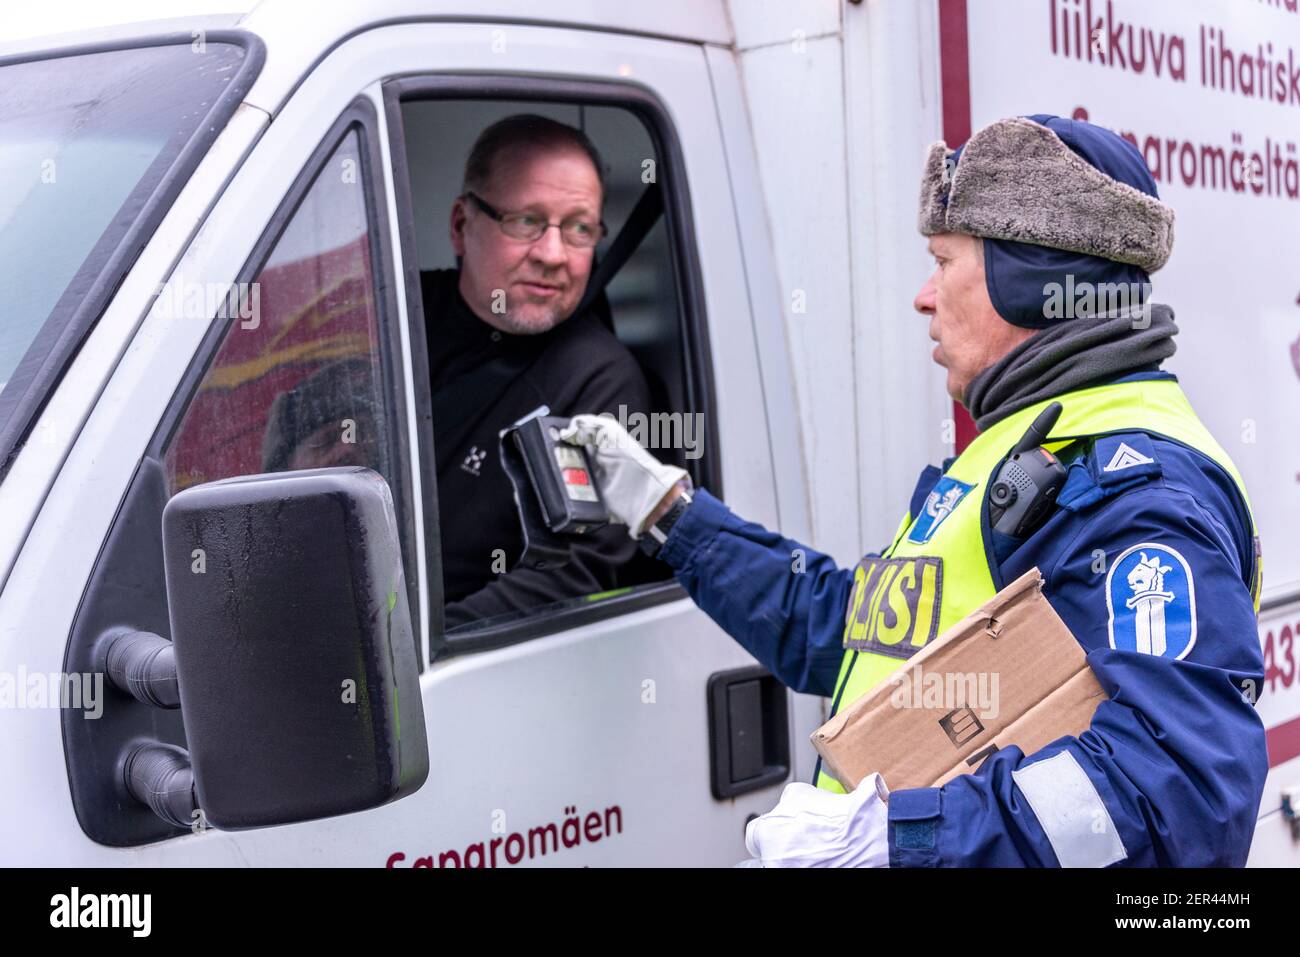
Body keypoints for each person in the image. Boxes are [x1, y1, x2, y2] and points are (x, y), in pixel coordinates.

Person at [561, 114, 1268, 867]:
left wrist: (899, 841)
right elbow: (851, 632)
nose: (923, 297)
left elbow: (1181, 795)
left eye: (943, 260)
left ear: (1026, 279)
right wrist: (672, 513)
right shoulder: (1024, 445)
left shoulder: (1131, 483)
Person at [421, 114, 652, 629]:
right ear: (462, 226)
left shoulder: (600, 381)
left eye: (578, 229)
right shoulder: (394, 312)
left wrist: (415, 655)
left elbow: (576, 574)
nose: (552, 255)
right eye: (526, 221)